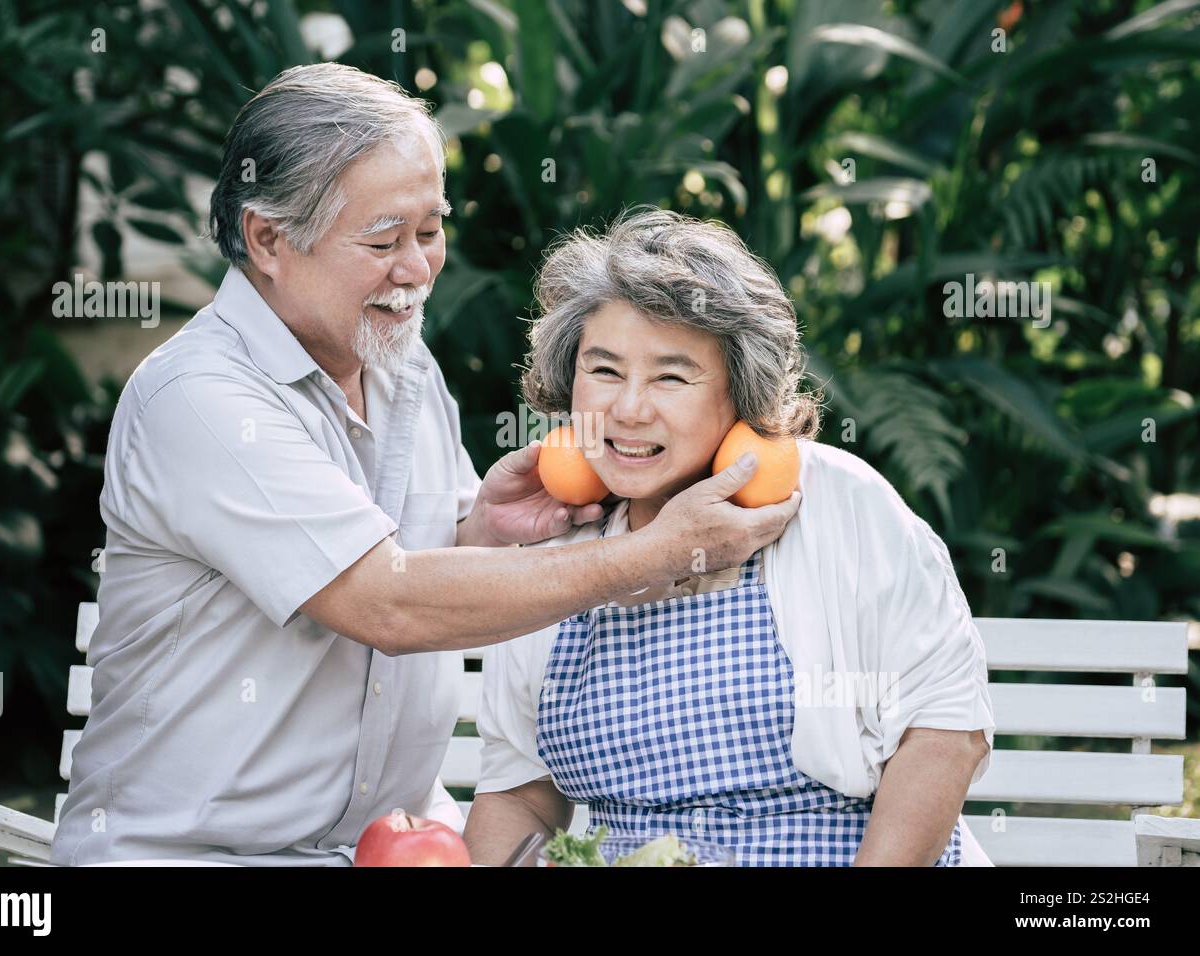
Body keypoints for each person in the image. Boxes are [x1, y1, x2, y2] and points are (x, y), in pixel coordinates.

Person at [51, 67, 798, 866]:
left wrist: (478, 530)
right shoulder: (199, 400)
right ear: (268, 238)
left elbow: (394, 565)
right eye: (382, 240)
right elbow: (388, 604)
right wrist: (654, 555)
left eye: (431, 230)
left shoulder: (401, 366)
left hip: (394, 850)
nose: (416, 270)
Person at [465, 208, 996, 866]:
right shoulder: (555, 550)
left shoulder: (840, 503)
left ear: (740, 392)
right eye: (603, 371)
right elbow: (518, 791)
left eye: (671, 376)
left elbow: (945, 731)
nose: (628, 410)